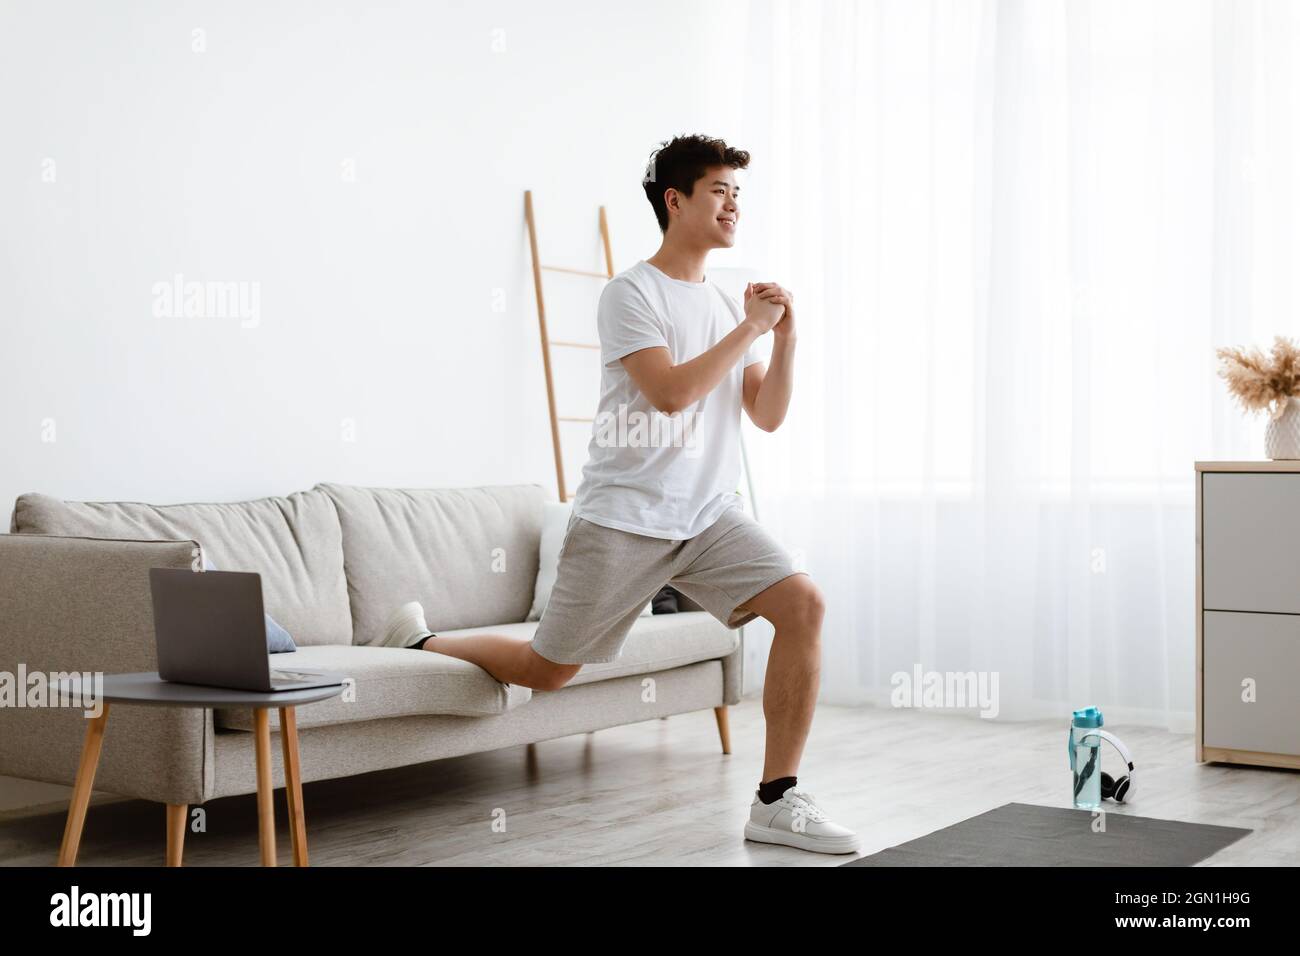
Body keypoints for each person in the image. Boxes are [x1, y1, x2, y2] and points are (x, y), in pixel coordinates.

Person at [380, 134, 859, 855]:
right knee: (548, 671)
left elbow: (765, 415)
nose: (734, 204)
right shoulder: (628, 293)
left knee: (804, 604)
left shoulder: (730, 303)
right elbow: (671, 393)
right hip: (624, 519)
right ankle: (425, 639)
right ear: (676, 200)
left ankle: (775, 800)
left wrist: (783, 338)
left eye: (739, 193)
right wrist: (750, 328)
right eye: (720, 190)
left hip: (706, 515)